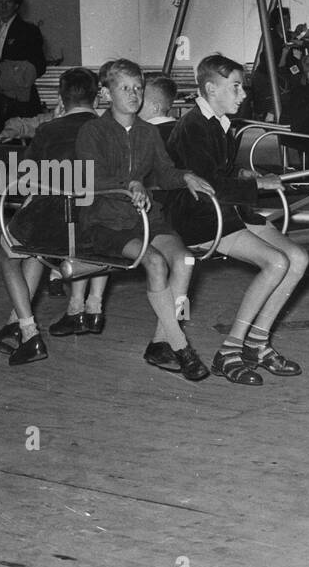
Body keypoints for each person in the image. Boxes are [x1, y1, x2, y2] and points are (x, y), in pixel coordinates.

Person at [166, 54, 309, 386]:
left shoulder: (218, 122)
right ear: (211, 88)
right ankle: (230, 350)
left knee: (298, 258)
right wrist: (254, 183)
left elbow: (220, 172)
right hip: (200, 216)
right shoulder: (193, 126)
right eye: (236, 88)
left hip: (226, 208)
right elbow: (207, 184)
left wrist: (250, 174)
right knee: (275, 263)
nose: (243, 95)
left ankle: (257, 344)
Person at [74, 59, 217, 380]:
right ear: (106, 92)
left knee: (186, 261)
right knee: (154, 264)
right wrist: (130, 185)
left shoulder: (148, 132)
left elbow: (165, 172)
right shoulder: (92, 131)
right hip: (105, 220)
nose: (134, 94)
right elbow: (90, 178)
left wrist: (187, 177)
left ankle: (159, 341)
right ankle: (182, 348)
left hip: (145, 216)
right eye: (125, 88)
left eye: (138, 88)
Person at [0, 68, 112, 359]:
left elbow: (27, 177)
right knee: (33, 254)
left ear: (60, 97)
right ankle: (15, 322)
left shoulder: (49, 130)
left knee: (8, 256)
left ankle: (29, 332)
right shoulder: (108, 129)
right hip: (95, 222)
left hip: (55, 218)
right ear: (96, 98)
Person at [0, 0, 47, 149]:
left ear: (16, 5)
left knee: (23, 153)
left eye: (8, 2)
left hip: (20, 98)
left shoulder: (29, 30)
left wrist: (9, 78)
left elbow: (39, 65)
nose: (3, 6)